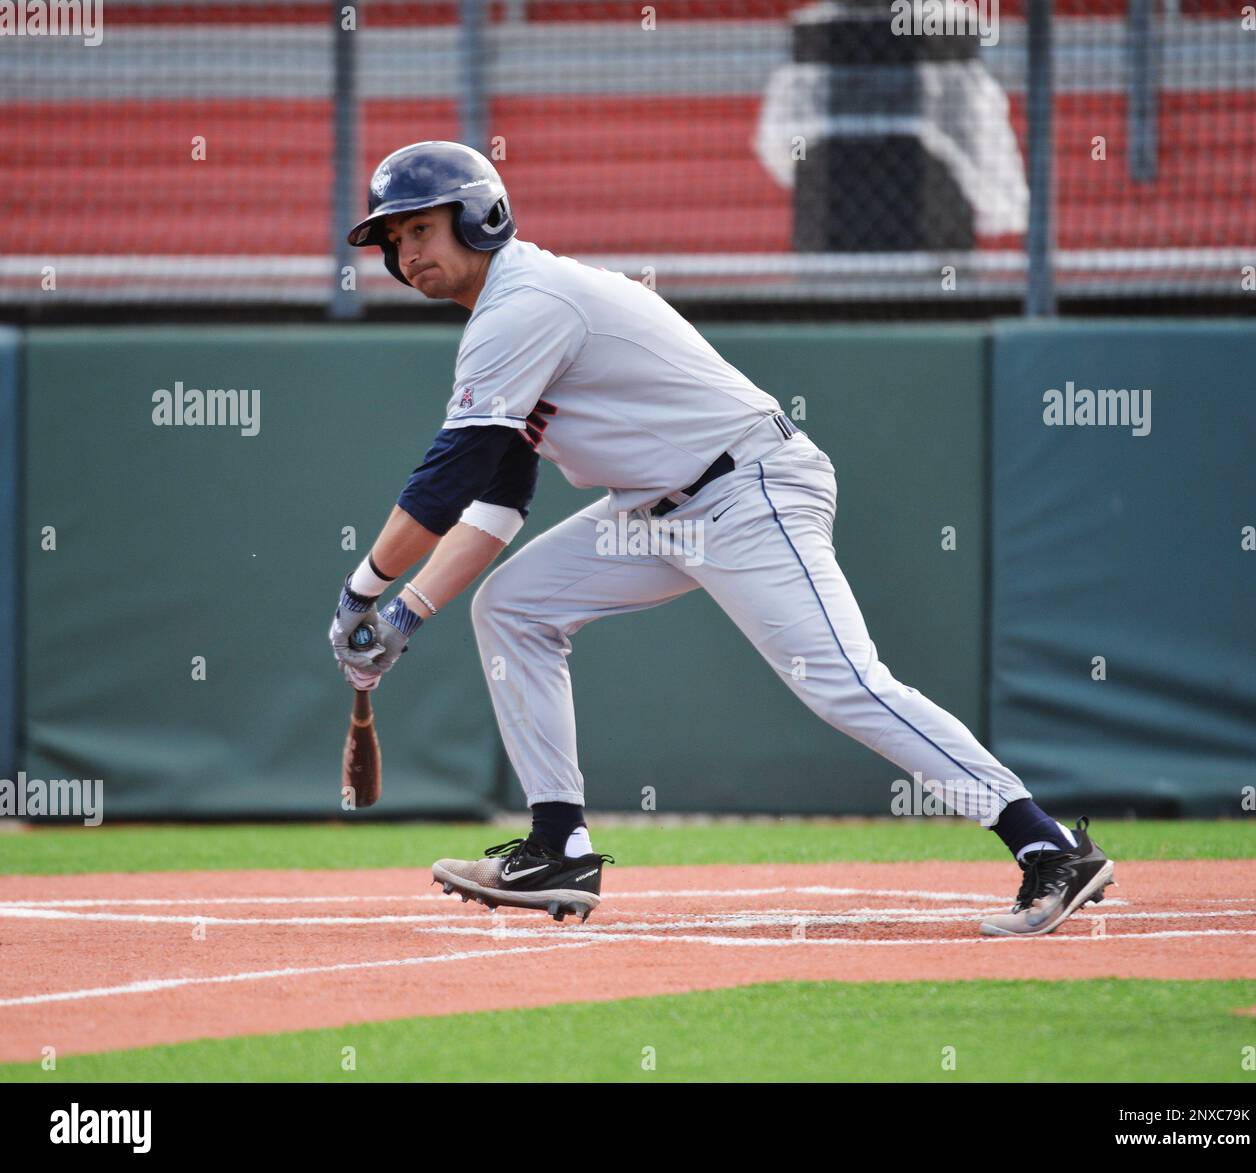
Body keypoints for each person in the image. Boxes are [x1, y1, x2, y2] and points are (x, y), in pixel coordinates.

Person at [329, 141, 1115, 933]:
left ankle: (1048, 847)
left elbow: (443, 483)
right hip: (656, 513)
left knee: (844, 682)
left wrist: (363, 590)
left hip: (747, 489)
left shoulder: (525, 301)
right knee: (513, 608)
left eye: (420, 228)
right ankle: (559, 843)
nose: (405, 251)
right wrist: (404, 618)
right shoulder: (503, 318)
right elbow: (496, 504)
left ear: (480, 217)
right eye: (394, 240)